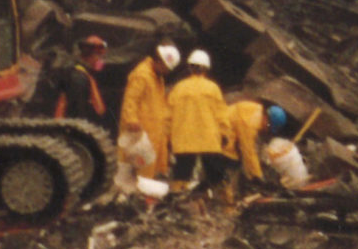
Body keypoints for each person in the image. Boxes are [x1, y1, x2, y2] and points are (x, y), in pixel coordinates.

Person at [166, 50, 231, 194]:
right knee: (219, 177)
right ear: (206, 69)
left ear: (190, 67)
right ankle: (229, 208)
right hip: (209, 141)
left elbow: (168, 117)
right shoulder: (213, 88)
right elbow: (222, 115)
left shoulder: (178, 88)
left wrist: (168, 138)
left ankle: (176, 207)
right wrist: (225, 134)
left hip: (184, 141)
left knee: (181, 177)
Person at [117, 43, 181, 183]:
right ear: (160, 61)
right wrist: (131, 119)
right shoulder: (142, 75)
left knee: (147, 172)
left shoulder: (157, 78)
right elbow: (131, 99)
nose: (167, 72)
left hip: (152, 133)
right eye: (166, 68)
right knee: (133, 170)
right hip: (140, 133)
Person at [30, 34, 111, 124]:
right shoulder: (79, 77)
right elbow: (93, 110)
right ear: (91, 54)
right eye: (100, 55)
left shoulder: (82, 74)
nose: (101, 60)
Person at [225, 99, 286, 191]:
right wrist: (258, 177)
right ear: (267, 119)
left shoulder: (255, 110)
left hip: (224, 133)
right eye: (268, 127)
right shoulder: (251, 122)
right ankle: (227, 199)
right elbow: (248, 151)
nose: (266, 129)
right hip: (222, 138)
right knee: (231, 164)